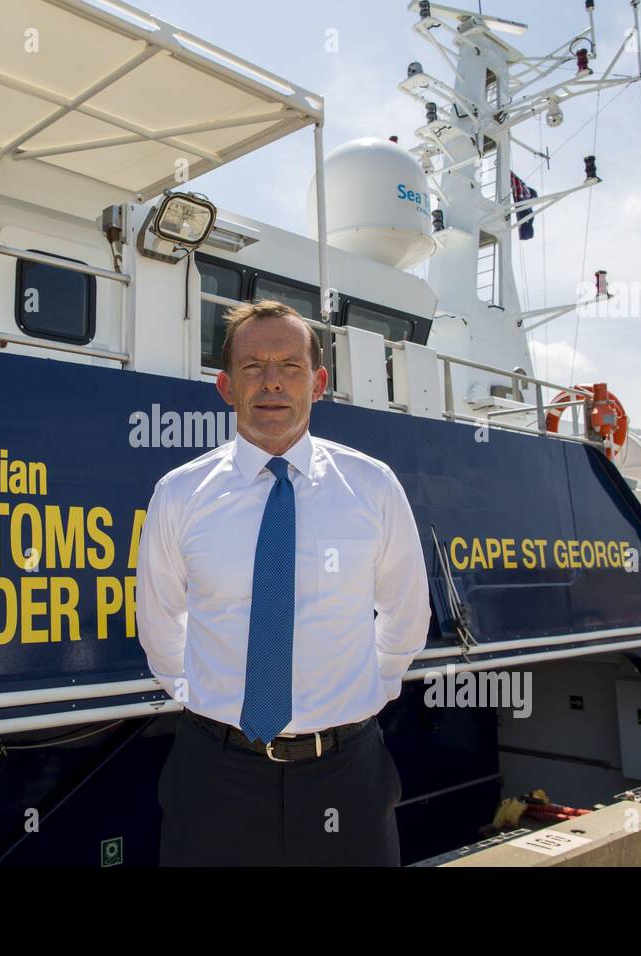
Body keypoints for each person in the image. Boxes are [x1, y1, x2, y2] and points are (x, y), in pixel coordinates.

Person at [136, 299, 431, 866]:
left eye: (290, 366)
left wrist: (361, 698)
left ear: (318, 382)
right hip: (215, 776)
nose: (271, 382)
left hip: (346, 775)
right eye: (252, 367)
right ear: (225, 386)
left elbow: (405, 617)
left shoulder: (372, 487)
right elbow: (161, 625)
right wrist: (208, 706)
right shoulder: (179, 496)